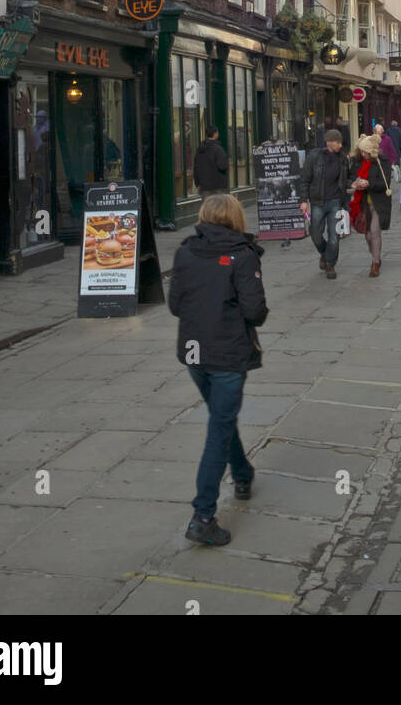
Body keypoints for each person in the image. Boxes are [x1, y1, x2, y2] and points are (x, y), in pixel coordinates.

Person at [168, 193, 268, 547]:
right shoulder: (242, 256)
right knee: (218, 429)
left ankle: (242, 475)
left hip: (195, 354)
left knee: (222, 419)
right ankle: (203, 515)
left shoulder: (185, 251)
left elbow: (175, 305)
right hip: (227, 355)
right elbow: (255, 311)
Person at [297, 128, 348, 279]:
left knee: (334, 236)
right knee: (315, 234)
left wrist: (354, 184)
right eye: (338, 143)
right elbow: (305, 180)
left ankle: (330, 264)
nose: (340, 145)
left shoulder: (343, 158)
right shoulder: (314, 157)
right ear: (330, 142)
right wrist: (303, 201)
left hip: (335, 202)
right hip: (318, 202)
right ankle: (325, 254)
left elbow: (346, 179)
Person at [348, 133, 393, 277]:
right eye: (361, 151)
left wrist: (369, 183)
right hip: (363, 202)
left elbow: (385, 182)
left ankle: (375, 263)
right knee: (367, 236)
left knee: (375, 231)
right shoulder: (357, 162)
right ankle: (375, 255)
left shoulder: (382, 162)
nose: (363, 154)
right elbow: (350, 178)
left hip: (378, 202)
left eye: (366, 152)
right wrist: (355, 183)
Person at [193, 127, 229, 198]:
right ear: (215, 134)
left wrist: (197, 183)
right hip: (218, 186)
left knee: (208, 207)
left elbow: (196, 167)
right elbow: (222, 166)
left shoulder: (199, 149)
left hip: (204, 186)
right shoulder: (218, 149)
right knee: (219, 208)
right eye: (217, 132)